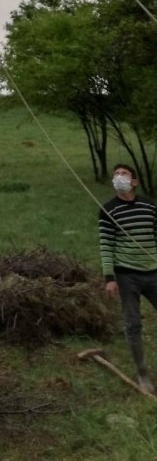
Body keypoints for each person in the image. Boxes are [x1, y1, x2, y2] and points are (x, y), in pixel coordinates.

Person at [99, 162, 157, 391]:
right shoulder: (107, 210)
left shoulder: (149, 206)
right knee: (133, 324)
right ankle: (142, 373)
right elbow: (106, 246)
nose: (119, 177)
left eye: (124, 174)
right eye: (116, 174)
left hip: (153, 272)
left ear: (134, 182)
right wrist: (109, 278)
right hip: (126, 275)